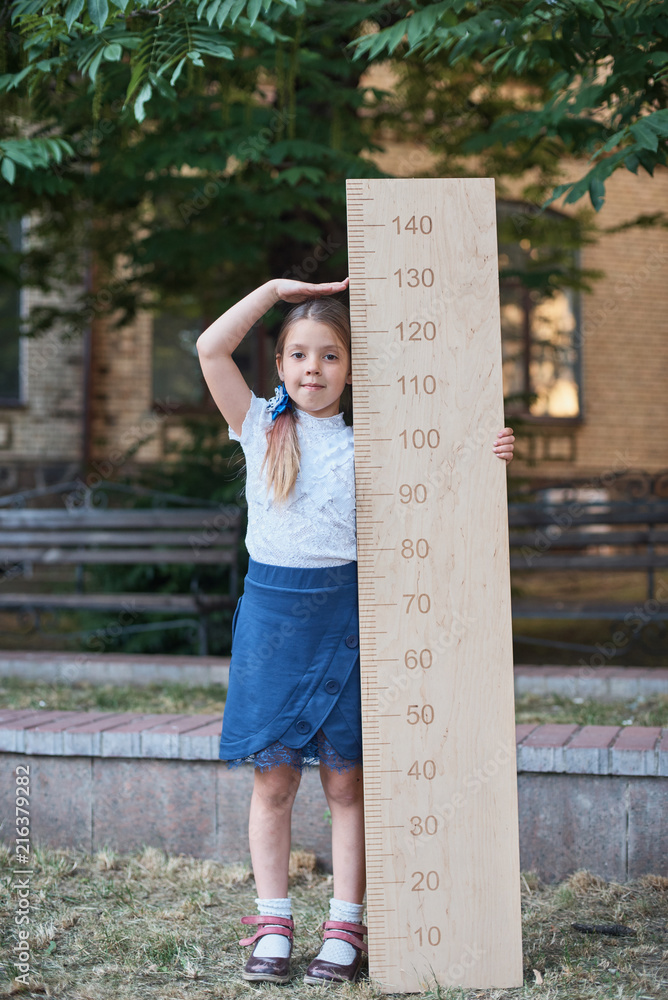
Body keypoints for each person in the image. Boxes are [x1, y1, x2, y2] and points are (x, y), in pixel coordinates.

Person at [196, 276, 515, 986]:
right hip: (274, 619)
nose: (314, 368)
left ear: (352, 367)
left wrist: (487, 450)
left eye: (331, 355)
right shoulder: (255, 425)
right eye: (300, 355)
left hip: (350, 617)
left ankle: (345, 926)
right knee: (273, 782)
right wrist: (275, 292)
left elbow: (447, 479)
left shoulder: (375, 442)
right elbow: (211, 346)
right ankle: (272, 923)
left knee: (347, 784)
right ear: (279, 366)